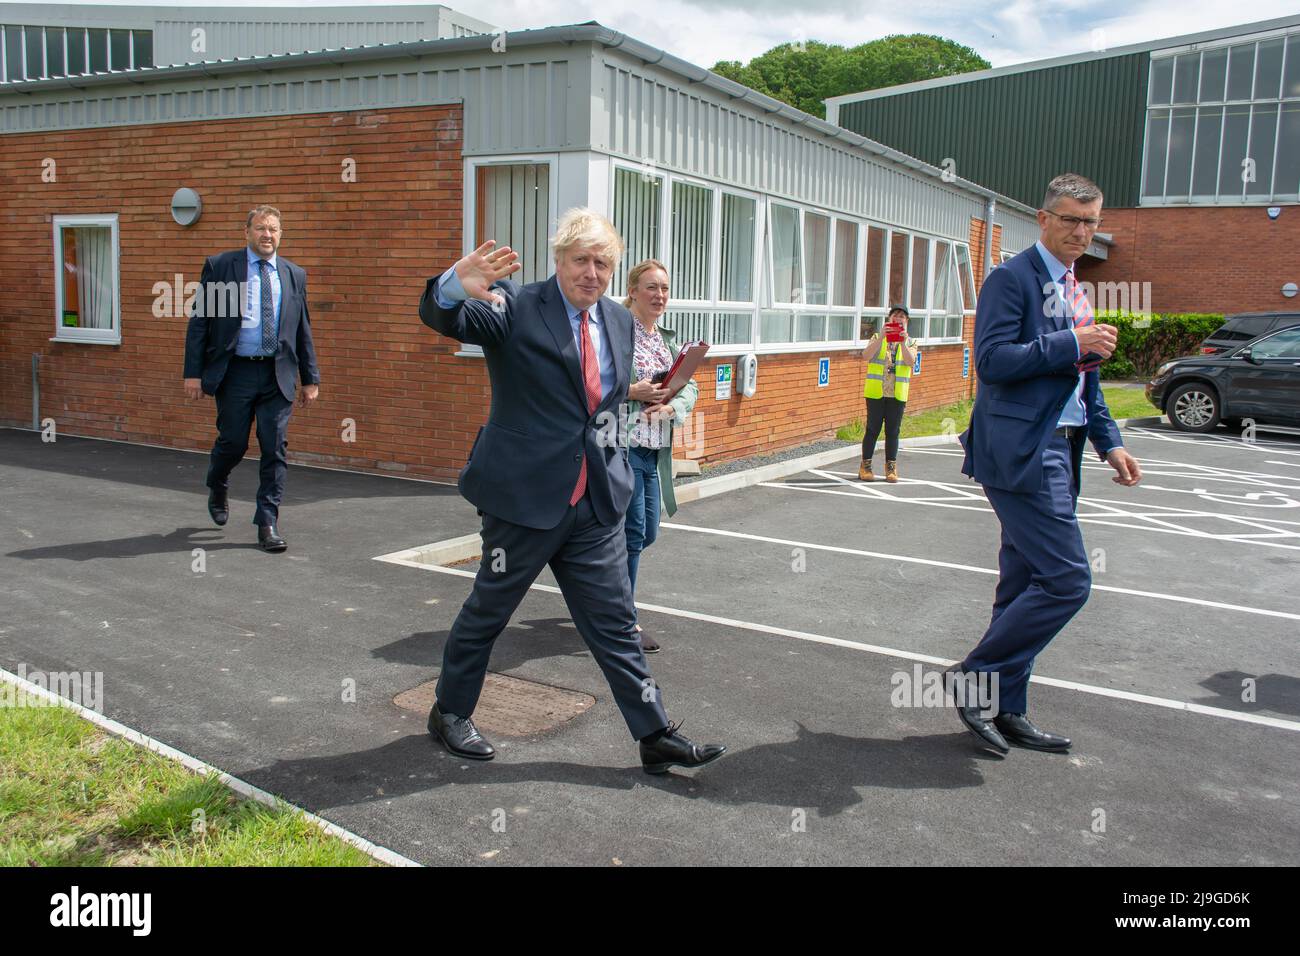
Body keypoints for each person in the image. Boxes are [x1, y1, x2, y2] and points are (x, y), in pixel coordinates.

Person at [416, 208, 726, 775]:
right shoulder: (514, 305)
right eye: (582, 260)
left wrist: (645, 396)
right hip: (525, 501)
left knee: (613, 623)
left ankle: (654, 733)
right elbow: (446, 320)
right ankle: (449, 712)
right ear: (558, 260)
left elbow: (596, 399)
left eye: (603, 263)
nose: (592, 272)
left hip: (596, 501)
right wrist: (452, 286)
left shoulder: (617, 319)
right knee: (489, 611)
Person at [953, 172, 1143, 755]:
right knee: (1066, 581)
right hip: (1022, 453)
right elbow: (992, 361)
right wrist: (1072, 344)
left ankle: (1009, 706)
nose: (1082, 231)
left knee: (1023, 583)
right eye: (1070, 219)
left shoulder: (1076, 286)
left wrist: (1108, 440)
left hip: (1061, 447)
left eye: (1090, 222)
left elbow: (1089, 386)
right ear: (1042, 219)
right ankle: (972, 675)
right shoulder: (1012, 279)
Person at [182, 205, 320, 553]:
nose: (267, 235)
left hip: (278, 374)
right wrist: (193, 373)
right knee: (233, 442)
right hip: (236, 371)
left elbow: (302, 328)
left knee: (274, 446)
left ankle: (267, 522)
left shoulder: (294, 275)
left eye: (273, 229)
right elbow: (200, 322)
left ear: (281, 234)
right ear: (247, 232)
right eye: (260, 228)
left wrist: (310, 378)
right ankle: (217, 482)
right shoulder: (221, 267)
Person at [621, 259, 699, 654]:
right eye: (651, 287)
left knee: (647, 532)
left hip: (655, 450)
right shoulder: (618, 331)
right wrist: (632, 391)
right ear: (633, 290)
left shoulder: (666, 339)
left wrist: (673, 408)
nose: (660, 295)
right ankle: (624, 621)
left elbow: (689, 387)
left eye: (665, 288)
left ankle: (598, 589)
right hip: (623, 444)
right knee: (634, 533)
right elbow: (591, 379)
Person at [859, 305, 916, 483]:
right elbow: (865, 356)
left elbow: (910, 361)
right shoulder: (877, 337)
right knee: (872, 430)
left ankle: (891, 467)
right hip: (876, 393)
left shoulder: (911, 342)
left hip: (897, 394)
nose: (898, 319)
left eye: (902, 317)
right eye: (895, 315)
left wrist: (901, 343)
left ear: (907, 322)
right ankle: (865, 466)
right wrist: (882, 337)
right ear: (889, 319)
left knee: (893, 431)